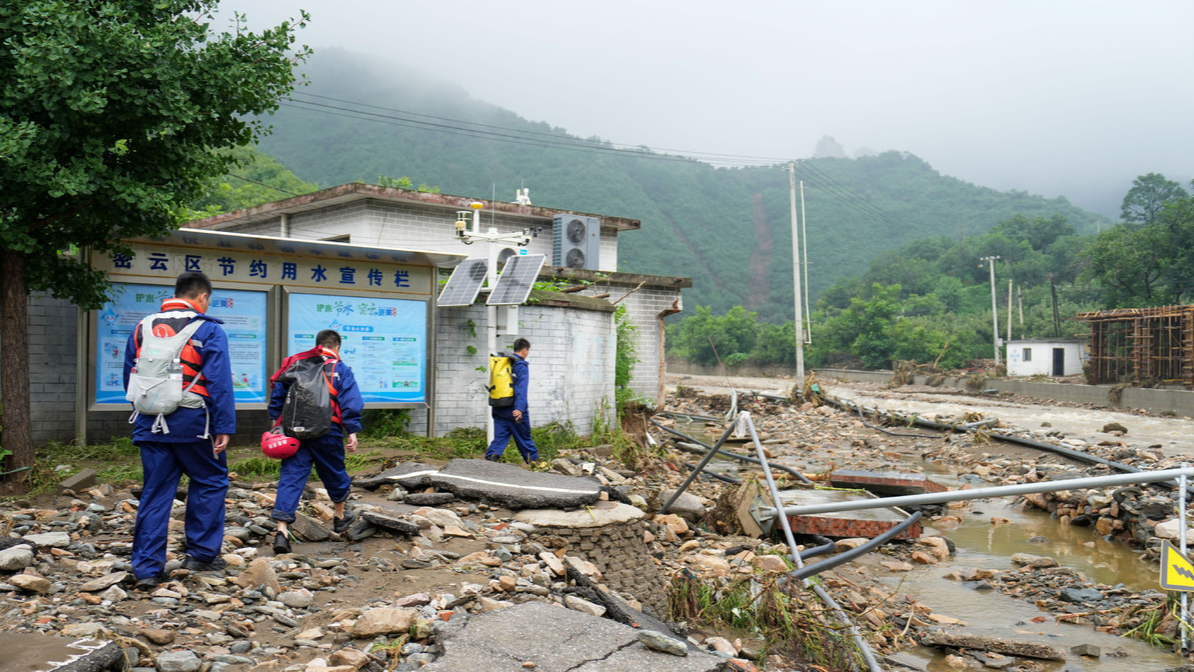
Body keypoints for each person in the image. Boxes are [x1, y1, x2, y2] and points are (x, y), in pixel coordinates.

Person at [123, 272, 235, 589]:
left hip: (149, 422)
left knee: (155, 492)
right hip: (193, 424)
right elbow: (219, 382)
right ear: (202, 298)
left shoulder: (142, 328)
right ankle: (201, 555)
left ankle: (146, 568)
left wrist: (147, 410)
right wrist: (224, 425)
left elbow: (129, 376)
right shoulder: (208, 328)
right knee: (210, 481)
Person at [268, 329, 363, 554]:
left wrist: (275, 424)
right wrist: (352, 430)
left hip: (294, 431)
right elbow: (351, 401)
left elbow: (278, 396)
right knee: (334, 471)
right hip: (327, 430)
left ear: (317, 344)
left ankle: (281, 530)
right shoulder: (340, 369)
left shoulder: (296, 365)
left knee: (291, 476)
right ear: (336, 347)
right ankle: (339, 517)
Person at [485, 337, 539, 465]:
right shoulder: (520, 365)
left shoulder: (503, 363)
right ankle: (534, 462)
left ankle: (491, 458)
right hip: (514, 409)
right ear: (525, 350)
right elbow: (521, 389)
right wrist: (519, 408)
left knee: (501, 436)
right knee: (524, 437)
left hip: (499, 406)